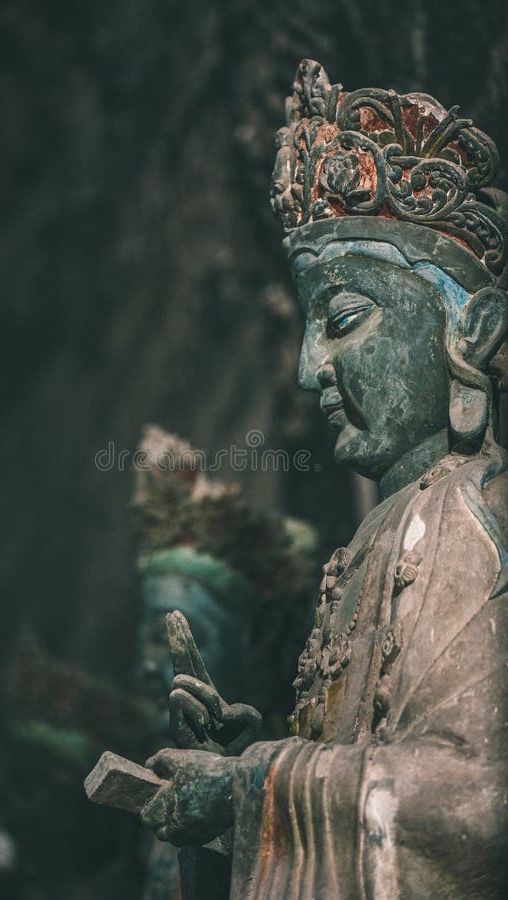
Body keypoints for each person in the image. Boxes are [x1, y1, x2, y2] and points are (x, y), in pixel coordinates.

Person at [133, 60, 508, 898]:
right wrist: (248, 768)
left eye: (343, 322)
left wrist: (248, 789)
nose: (309, 370)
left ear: (471, 332)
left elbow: (479, 807)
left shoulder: (467, 513)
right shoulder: (380, 534)